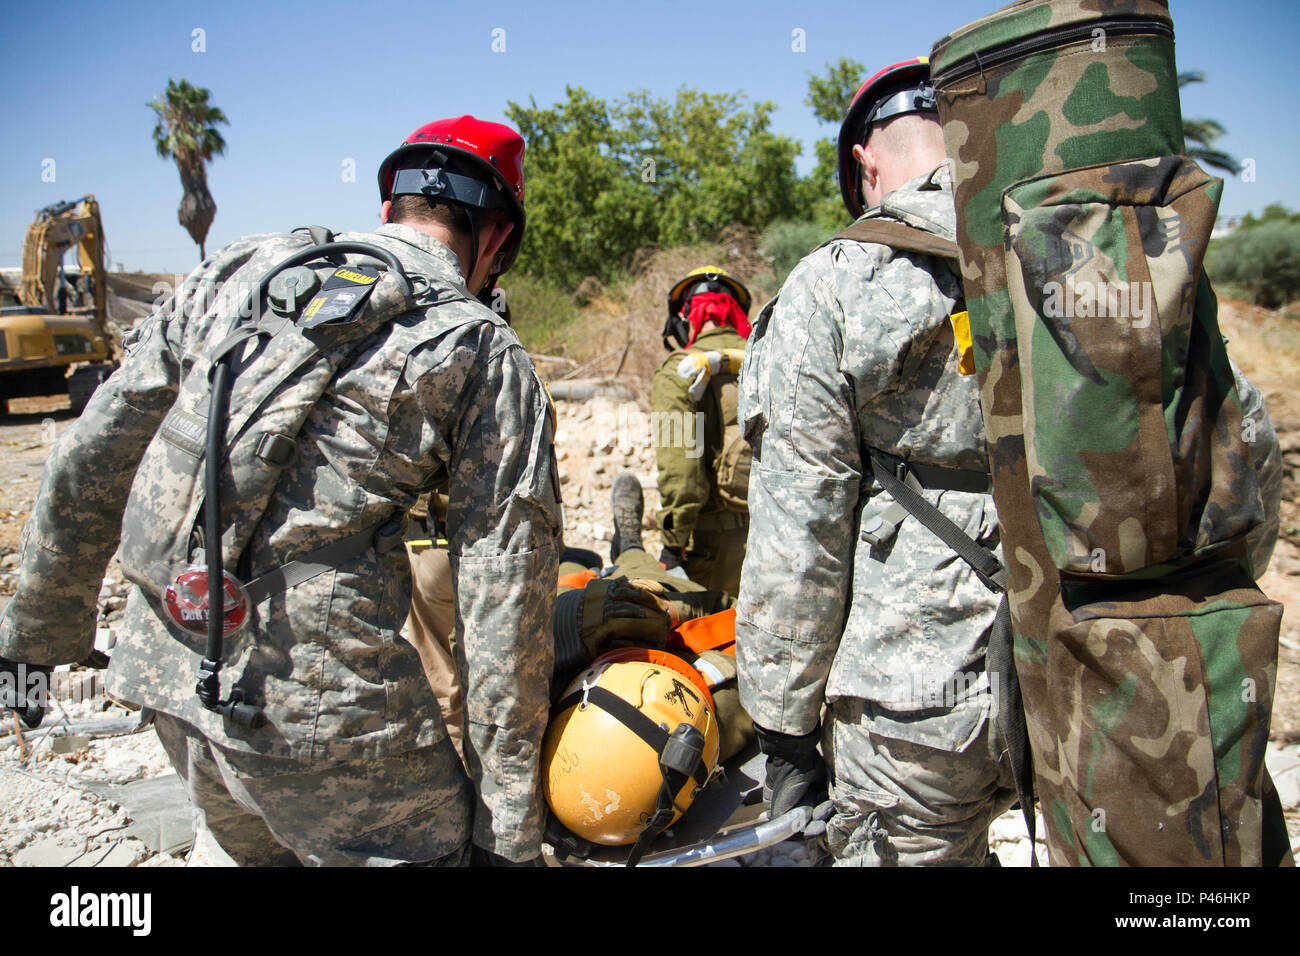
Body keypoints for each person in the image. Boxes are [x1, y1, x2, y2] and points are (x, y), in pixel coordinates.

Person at [0, 116, 561, 867]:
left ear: (391, 203)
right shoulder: (480, 348)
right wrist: (509, 833)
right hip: (321, 715)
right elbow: (506, 606)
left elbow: (92, 454)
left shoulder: (243, 269)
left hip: (166, 667)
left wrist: (31, 644)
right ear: (496, 238)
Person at [735, 59, 1019, 866]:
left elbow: (802, 529)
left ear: (864, 165)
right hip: (1088, 656)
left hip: (915, 701)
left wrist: (784, 729)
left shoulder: (834, 283)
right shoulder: (1082, 250)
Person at [649, 267, 754, 597]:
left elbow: (681, 472)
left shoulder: (678, 371)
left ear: (683, 319)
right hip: (781, 536)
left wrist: (672, 545)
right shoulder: (769, 358)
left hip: (713, 549)